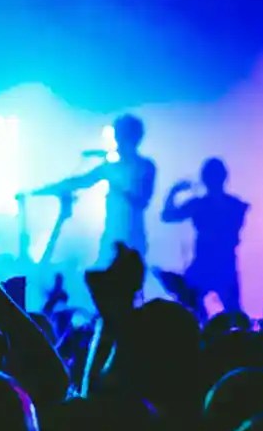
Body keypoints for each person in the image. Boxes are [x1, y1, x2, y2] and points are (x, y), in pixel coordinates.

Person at [32, 114, 157, 266]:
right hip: (111, 237)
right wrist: (42, 191)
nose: (118, 141)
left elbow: (142, 202)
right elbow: (80, 181)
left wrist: (117, 185)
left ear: (134, 138)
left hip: (133, 240)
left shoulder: (145, 166)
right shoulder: (111, 167)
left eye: (122, 136)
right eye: (117, 136)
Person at [160, 158, 249, 314]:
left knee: (192, 307)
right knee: (231, 313)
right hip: (217, 263)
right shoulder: (233, 204)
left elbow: (168, 215)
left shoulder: (202, 204)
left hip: (212, 263)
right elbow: (167, 216)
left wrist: (174, 191)